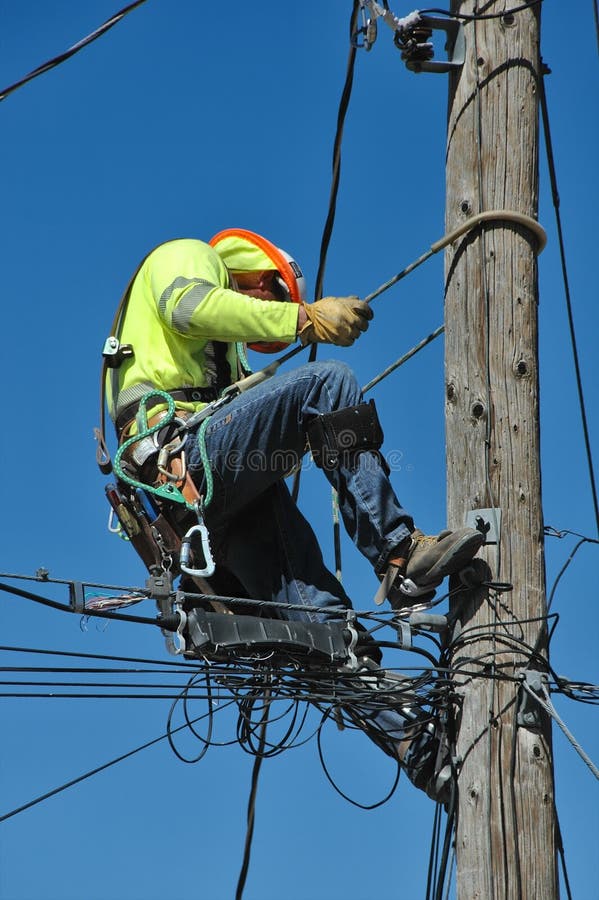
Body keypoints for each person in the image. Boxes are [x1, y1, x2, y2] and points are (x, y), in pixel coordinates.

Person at [107, 229, 483, 798]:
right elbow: (189, 309)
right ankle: (400, 553)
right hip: (176, 456)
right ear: (260, 277)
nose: (269, 313)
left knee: (322, 626)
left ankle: (418, 750)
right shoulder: (188, 256)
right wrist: (302, 320)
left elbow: (244, 416)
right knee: (328, 384)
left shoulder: (224, 360)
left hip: (197, 503)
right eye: (273, 300)